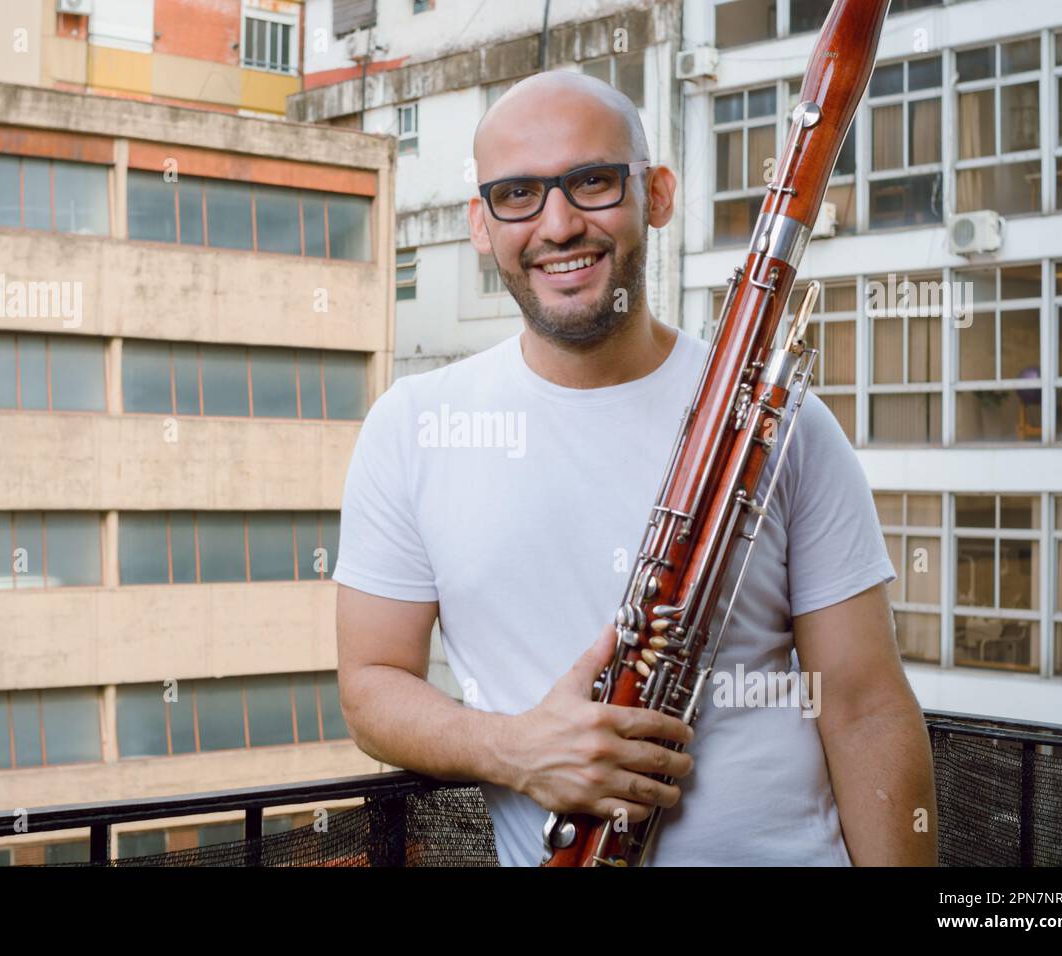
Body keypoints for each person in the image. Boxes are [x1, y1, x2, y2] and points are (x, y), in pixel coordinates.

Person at [331, 69, 937, 866]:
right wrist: (516, 750)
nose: (558, 225)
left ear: (656, 194)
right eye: (518, 194)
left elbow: (864, 706)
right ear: (481, 225)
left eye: (592, 182)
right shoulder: (412, 428)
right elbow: (372, 685)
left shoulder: (782, 419)